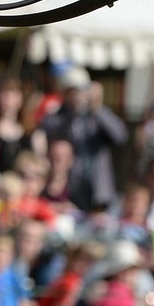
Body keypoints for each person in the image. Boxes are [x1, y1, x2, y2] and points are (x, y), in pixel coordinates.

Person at [39, 71, 127, 212]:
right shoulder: (56, 117)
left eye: (81, 91)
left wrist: (98, 108)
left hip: (98, 190)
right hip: (69, 190)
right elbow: (48, 131)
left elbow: (121, 136)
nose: (77, 95)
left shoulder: (96, 115)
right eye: (73, 91)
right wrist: (72, 114)